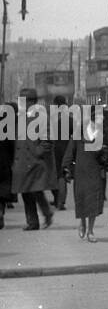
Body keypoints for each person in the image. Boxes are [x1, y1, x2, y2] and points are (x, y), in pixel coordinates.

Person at [14, 91, 56, 230]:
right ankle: (33, 221)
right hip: (23, 163)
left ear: (30, 102)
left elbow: (48, 139)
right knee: (26, 192)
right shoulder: (21, 117)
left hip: (36, 162)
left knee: (35, 191)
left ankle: (45, 214)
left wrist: (38, 151)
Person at [62, 129, 108, 241]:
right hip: (80, 172)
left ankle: (90, 231)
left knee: (93, 201)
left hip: (95, 171)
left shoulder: (101, 134)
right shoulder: (77, 136)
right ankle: (83, 222)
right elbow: (69, 153)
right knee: (82, 199)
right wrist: (66, 168)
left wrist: (104, 153)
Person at [0, 102, 15, 229]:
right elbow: (12, 146)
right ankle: (1, 212)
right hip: (4, 163)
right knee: (3, 191)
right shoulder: (7, 128)